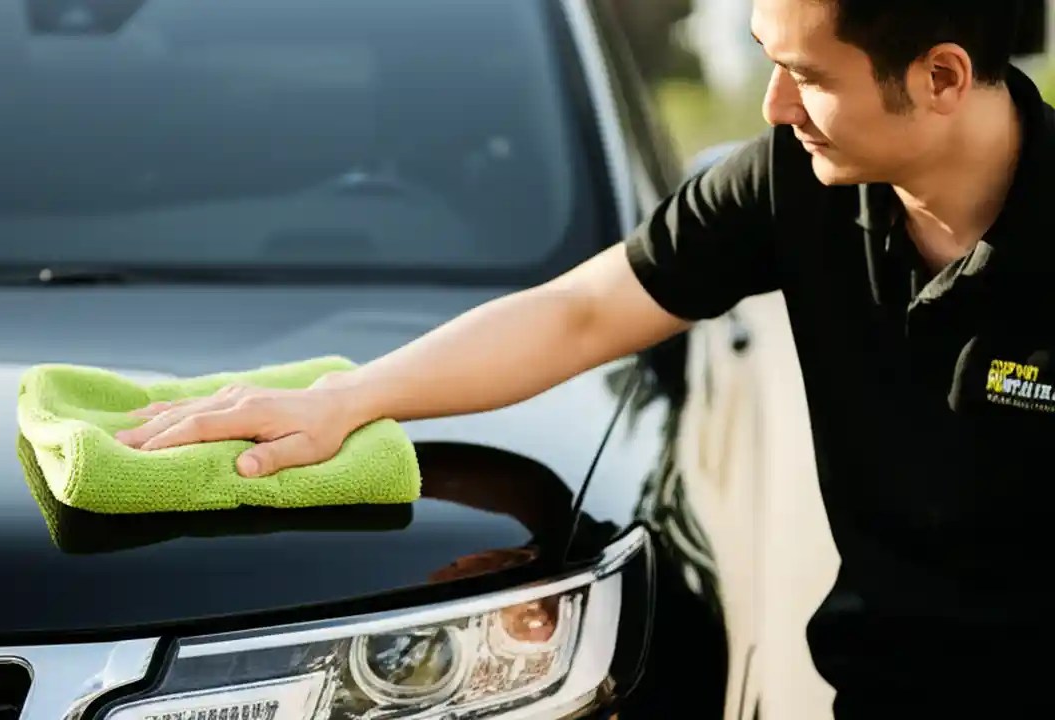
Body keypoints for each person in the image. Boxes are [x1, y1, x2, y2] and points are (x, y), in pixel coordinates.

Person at [118, 0, 1055, 715]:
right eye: (769, 65)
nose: (774, 107)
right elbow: (577, 313)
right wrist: (347, 400)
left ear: (941, 77)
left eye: (806, 76)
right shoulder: (790, 183)